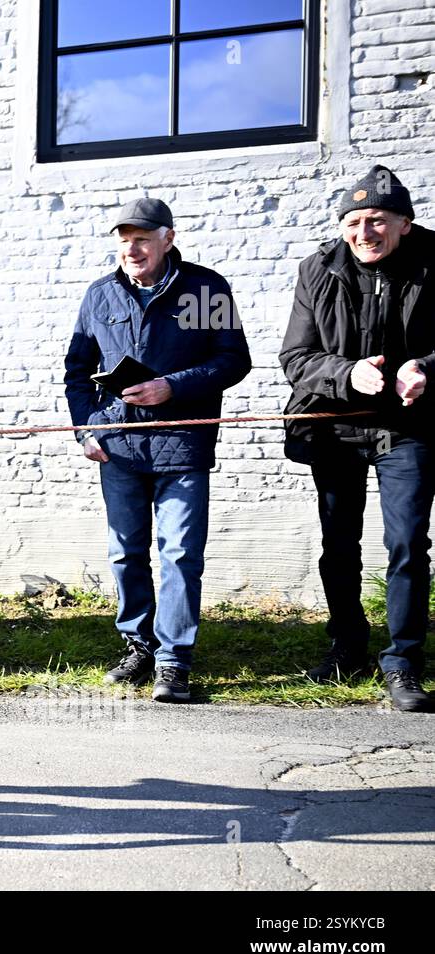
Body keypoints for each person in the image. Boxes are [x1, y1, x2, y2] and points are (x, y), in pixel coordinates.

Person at [64, 198, 251, 703]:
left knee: (180, 554)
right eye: (124, 239)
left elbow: (235, 360)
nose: (132, 248)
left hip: (183, 445)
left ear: (168, 238)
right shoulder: (99, 295)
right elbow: (77, 372)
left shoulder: (207, 289)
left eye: (142, 238)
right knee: (125, 553)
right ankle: (139, 644)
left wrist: (173, 386)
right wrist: (87, 431)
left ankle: (173, 661)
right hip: (118, 447)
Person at [280, 165, 435, 712]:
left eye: (377, 221)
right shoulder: (316, 269)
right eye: (353, 222)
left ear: (405, 225)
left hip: (410, 426)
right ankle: (347, 647)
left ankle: (403, 663)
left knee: (407, 544)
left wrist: (426, 368)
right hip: (335, 425)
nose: (363, 233)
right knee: (338, 543)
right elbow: (295, 357)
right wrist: (346, 374)